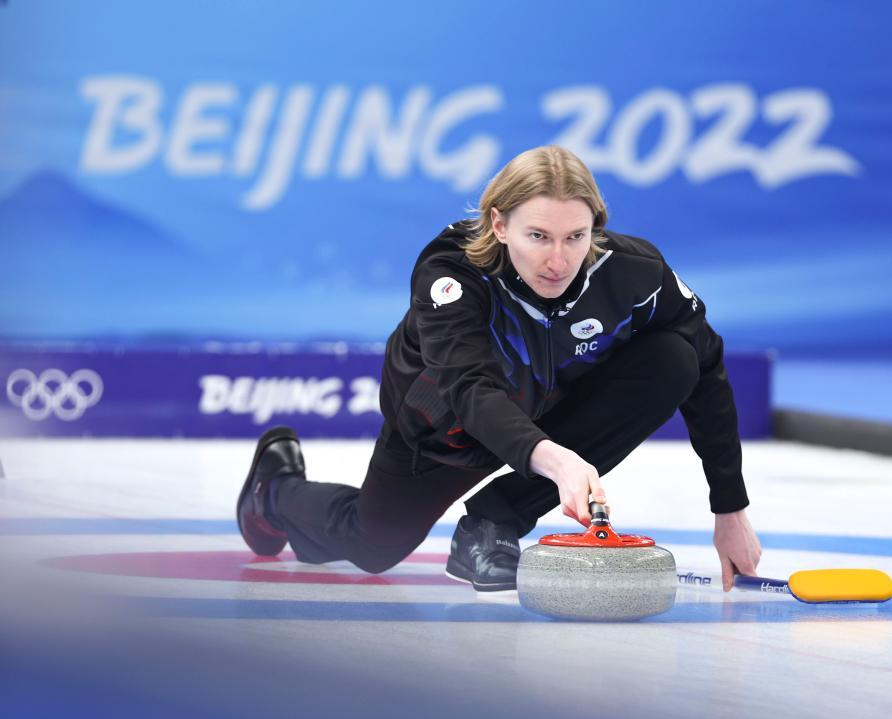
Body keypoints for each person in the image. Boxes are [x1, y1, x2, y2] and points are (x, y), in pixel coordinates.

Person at [237, 145, 761, 593]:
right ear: (499, 224)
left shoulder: (633, 273)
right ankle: (274, 490)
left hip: (547, 408)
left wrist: (730, 507)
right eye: (538, 236)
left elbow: (707, 362)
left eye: (575, 237)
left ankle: (494, 521)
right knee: (373, 545)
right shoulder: (452, 273)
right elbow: (468, 386)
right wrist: (557, 463)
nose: (558, 260)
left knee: (674, 358)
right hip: (446, 429)